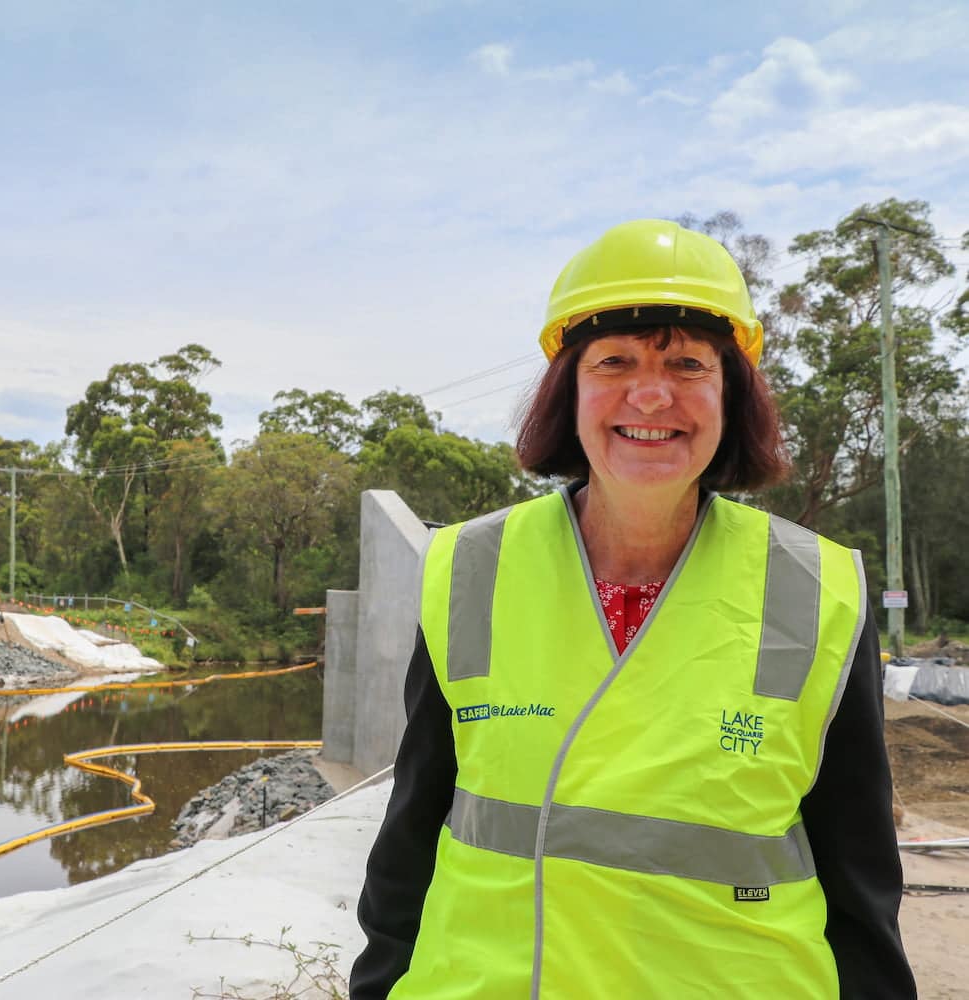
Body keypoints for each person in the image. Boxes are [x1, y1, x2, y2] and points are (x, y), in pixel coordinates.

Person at [351, 219, 915, 999]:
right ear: (570, 392)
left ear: (731, 397)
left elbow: (859, 881)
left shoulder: (816, 588)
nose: (651, 394)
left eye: (687, 363)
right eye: (614, 361)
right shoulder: (473, 567)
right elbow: (412, 832)